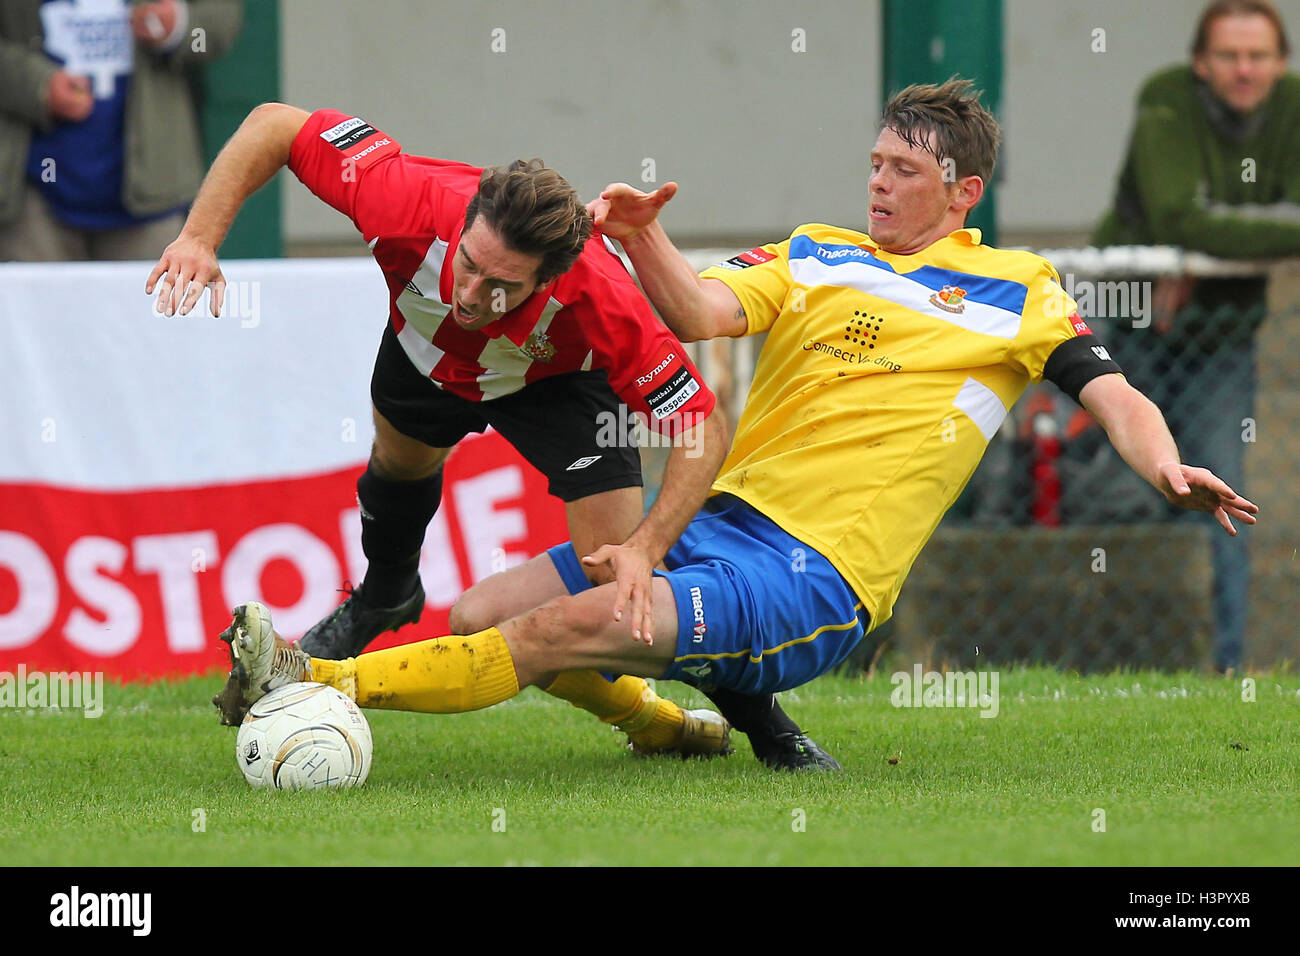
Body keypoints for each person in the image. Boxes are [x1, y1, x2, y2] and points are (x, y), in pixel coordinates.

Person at [213, 79, 1257, 765]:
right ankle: (678, 731)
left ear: (961, 189)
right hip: (725, 523)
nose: (877, 181)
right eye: (875, 161)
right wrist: (646, 237)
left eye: (902, 171)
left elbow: (1113, 393)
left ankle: (311, 679)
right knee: (486, 609)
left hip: (816, 572)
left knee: (563, 628)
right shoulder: (816, 251)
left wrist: (1168, 466)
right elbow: (701, 312)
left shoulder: (1016, 287)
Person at [150, 102, 838, 769]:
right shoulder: (401, 195)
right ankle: (387, 592)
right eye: (469, 262)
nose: (473, 293)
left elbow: (701, 424)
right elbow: (275, 124)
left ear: (552, 278)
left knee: (616, 582)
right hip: (423, 352)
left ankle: (758, 723)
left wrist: (647, 547)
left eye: (502, 284)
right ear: (468, 216)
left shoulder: (604, 299)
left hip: (557, 385)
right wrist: (201, 237)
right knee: (398, 461)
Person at [1094, 0, 1295, 671]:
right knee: (1108, 487)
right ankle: (1100, 666)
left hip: (1219, 336)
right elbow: (1179, 212)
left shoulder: (1292, 109)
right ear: (1201, 63)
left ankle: (1225, 670)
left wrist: (1201, 248)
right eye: (1229, 56)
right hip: (1124, 319)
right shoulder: (1166, 98)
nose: (1244, 69)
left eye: (1258, 55)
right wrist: (1192, 239)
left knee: (1221, 493)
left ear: (1282, 62)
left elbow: (1195, 222)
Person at [0, 0, 243, 261]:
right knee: (33, 302)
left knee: (154, 300)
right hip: (28, 195)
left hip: (153, 195)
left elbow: (222, 18)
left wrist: (180, 25)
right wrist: (36, 84)